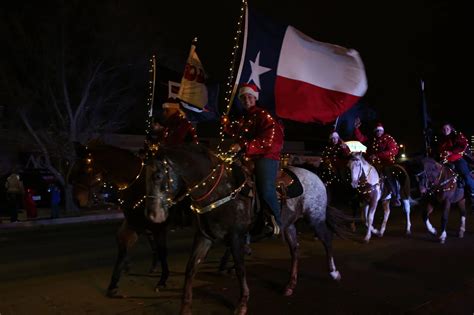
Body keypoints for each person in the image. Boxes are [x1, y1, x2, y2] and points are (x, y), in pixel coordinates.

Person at [222, 83, 285, 235]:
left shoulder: (264, 115)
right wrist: (226, 124)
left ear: (255, 98)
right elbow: (237, 132)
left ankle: (277, 220)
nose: (246, 99)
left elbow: (271, 140)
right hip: (248, 157)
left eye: (249, 96)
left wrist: (243, 145)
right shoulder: (244, 118)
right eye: (243, 97)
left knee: (265, 187)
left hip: (266, 156)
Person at [354, 118, 401, 206]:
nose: (378, 132)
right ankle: (362, 196)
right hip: (373, 163)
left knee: (389, 175)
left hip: (386, 163)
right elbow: (362, 138)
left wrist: (378, 155)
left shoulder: (388, 138)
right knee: (362, 173)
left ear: (382, 131)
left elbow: (394, 150)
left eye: (380, 131)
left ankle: (396, 196)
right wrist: (356, 129)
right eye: (377, 131)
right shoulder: (372, 138)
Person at [437, 122, 474, 205]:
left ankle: (472, 193)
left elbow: (462, 146)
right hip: (446, 162)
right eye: (443, 129)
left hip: (458, 160)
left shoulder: (457, 136)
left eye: (447, 128)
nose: (445, 130)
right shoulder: (441, 139)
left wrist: (451, 152)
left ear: (451, 129)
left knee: (466, 176)